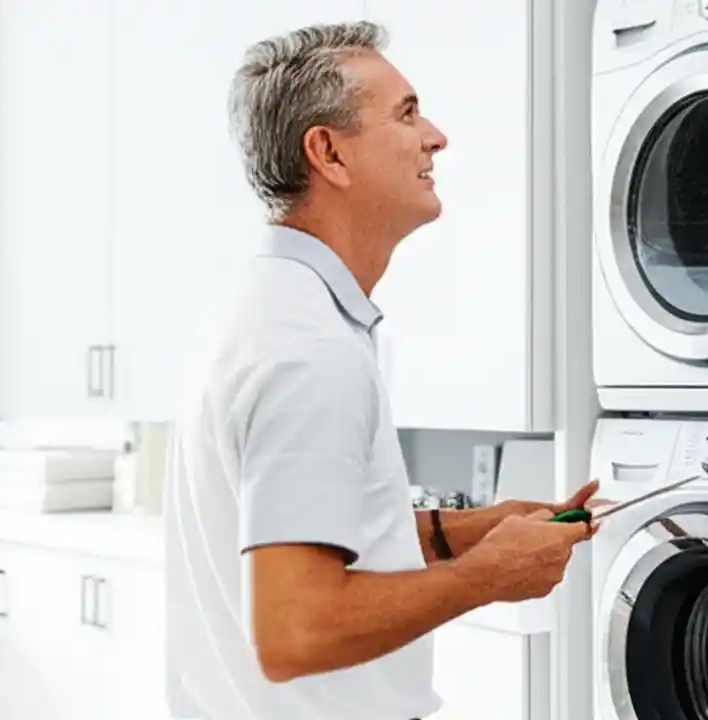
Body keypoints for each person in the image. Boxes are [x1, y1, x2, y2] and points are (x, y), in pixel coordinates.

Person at [164, 21, 598, 720]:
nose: (436, 137)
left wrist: (467, 531)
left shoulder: (267, 313)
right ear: (329, 153)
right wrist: (487, 575)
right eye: (406, 114)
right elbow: (296, 631)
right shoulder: (307, 350)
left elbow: (321, 539)